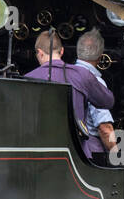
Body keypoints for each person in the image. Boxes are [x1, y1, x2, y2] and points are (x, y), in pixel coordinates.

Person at [24, 30, 114, 159]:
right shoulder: (82, 75)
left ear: (39, 52)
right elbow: (107, 101)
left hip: (39, 154)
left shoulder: (26, 79)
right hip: (77, 155)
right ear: (62, 51)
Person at [74, 29, 118, 162]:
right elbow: (104, 128)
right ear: (100, 56)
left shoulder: (67, 75)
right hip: (91, 153)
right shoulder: (95, 82)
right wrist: (117, 156)